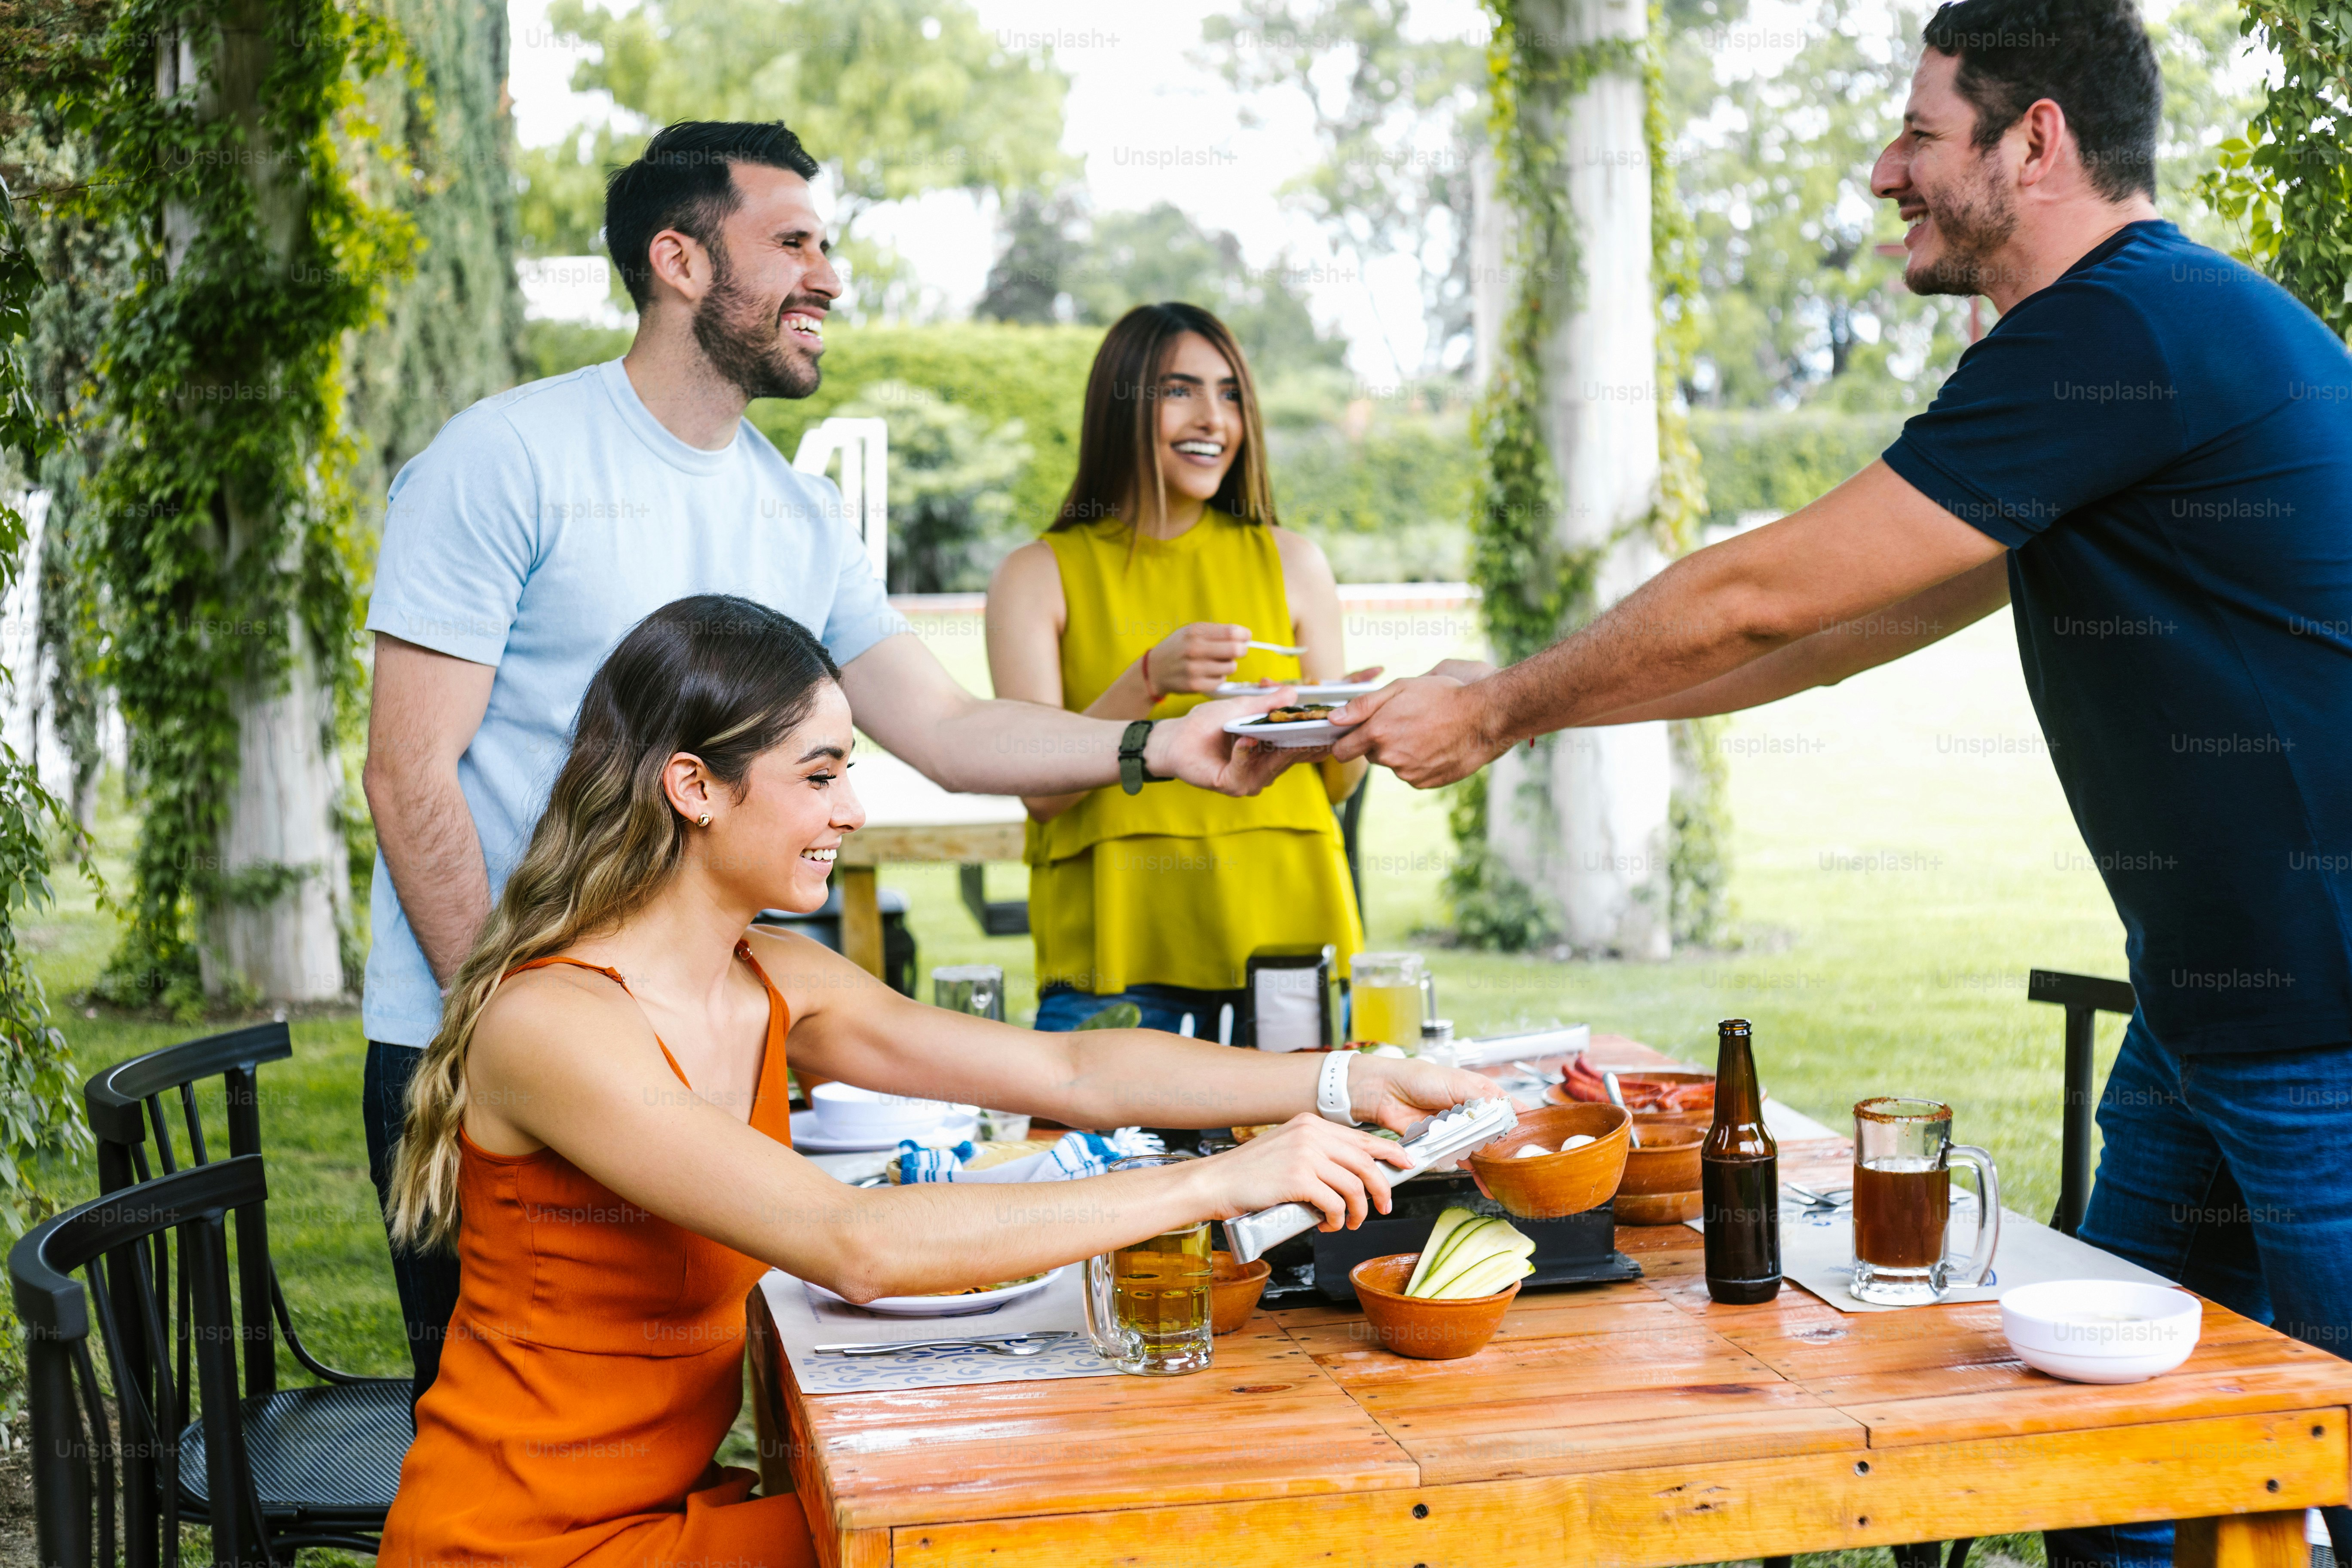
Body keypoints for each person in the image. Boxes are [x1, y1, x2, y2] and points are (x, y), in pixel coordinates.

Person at [1333, 0, 2352, 1562]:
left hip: (2326, 1032)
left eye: (1921, 131)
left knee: (2254, 1462)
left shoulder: (2123, 329)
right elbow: (1833, 634)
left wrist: (1496, 710)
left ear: (2038, 140)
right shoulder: (2114, 344)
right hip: (2218, 1014)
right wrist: (1515, 714)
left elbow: (1762, 592)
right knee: (2099, 1478)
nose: (1886, 168)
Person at [361, 122, 1310, 1399]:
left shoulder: (793, 510)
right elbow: (409, 774)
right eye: (792, 243)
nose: (830, 277)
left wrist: (1151, 744)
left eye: (829, 245)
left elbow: (950, 728)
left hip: (697, 1048)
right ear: (679, 260)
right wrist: (515, 1028)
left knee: (703, 1405)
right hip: (489, 1044)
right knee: (519, 1420)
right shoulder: (506, 460)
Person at [376, 594, 1490, 1568]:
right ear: (694, 788)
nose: (852, 810)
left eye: (849, 769)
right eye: (819, 775)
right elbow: (859, 1245)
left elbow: (1070, 1067)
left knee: (1049, 1506)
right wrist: (1220, 1184)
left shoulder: (774, 978)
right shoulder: (553, 1026)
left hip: (671, 1515)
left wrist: (1338, 1080)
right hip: (521, 1549)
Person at [986, 303, 1368, 1041]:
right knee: (1101, 1163)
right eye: (1180, 391)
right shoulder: (1037, 575)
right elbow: (1038, 792)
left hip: (1288, 944)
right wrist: (1149, 677)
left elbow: (1338, 786)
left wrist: (1328, 718)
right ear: (1120, 406)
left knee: (1309, 1158)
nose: (1213, 419)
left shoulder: (1294, 563)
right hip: (1115, 958)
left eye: (1230, 395)